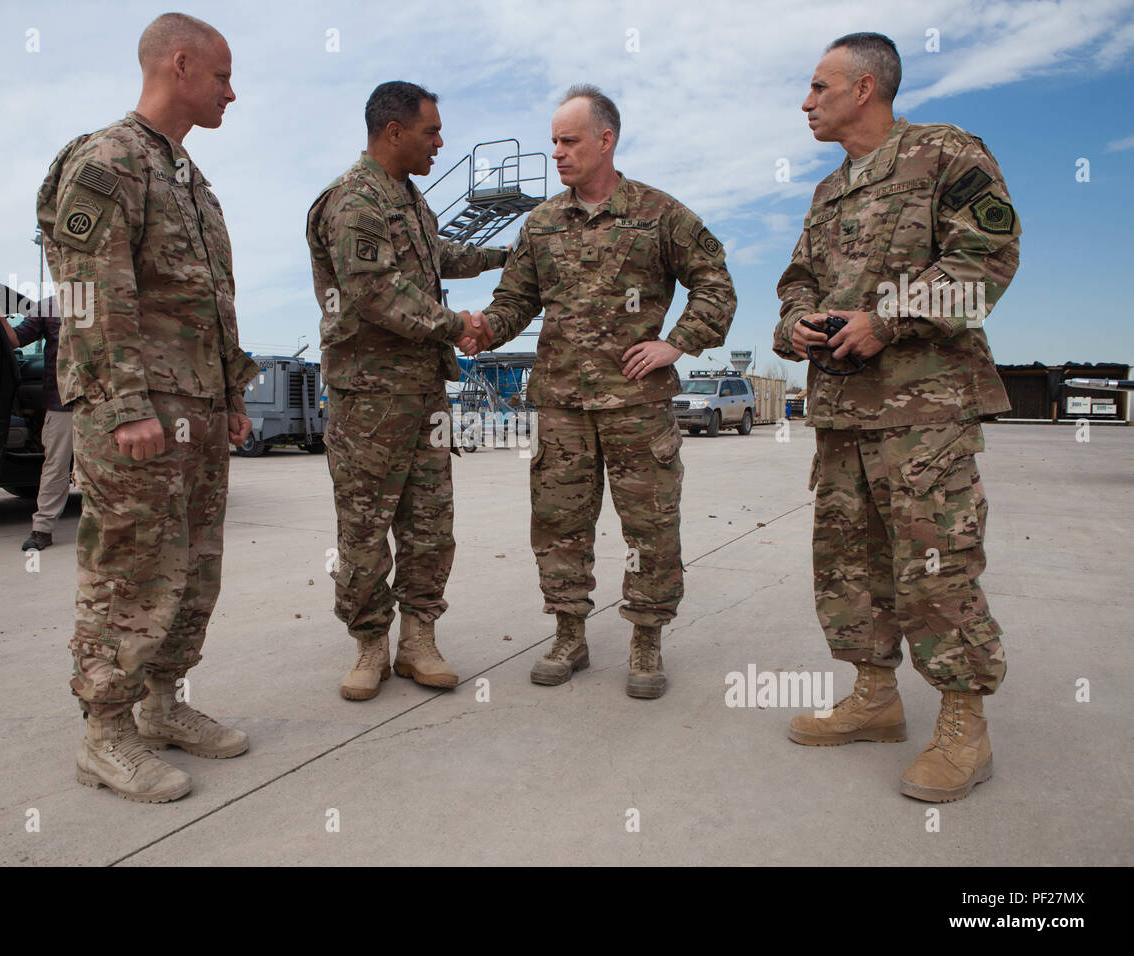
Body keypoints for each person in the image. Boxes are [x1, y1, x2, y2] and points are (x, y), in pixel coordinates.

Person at [773, 33, 1019, 802]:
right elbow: (793, 284)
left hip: (926, 414)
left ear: (866, 88)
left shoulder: (944, 152)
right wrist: (798, 326)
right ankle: (875, 699)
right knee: (851, 568)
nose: (806, 102)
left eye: (819, 86)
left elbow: (987, 261)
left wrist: (887, 319)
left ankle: (964, 726)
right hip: (844, 415)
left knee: (936, 569)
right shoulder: (826, 192)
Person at [35, 12, 260, 803]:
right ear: (180, 64)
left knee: (194, 566)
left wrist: (233, 395)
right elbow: (91, 295)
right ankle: (105, 732)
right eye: (223, 76)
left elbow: (212, 303)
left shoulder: (190, 181)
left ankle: (165, 705)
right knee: (130, 568)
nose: (233, 92)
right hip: (137, 409)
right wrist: (126, 403)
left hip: (196, 407)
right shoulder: (109, 162)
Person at [478, 85, 737, 699]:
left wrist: (677, 342)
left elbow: (716, 285)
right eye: (553, 143)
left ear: (605, 139)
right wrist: (484, 328)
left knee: (650, 526)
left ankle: (646, 638)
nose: (558, 154)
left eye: (569, 141)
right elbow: (515, 300)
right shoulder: (540, 224)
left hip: (637, 405)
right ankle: (569, 633)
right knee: (559, 524)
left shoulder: (660, 213)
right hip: (563, 405)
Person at [306, 81, 507, 701]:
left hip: (424, 394)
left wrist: (502, 255)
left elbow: (433, 257)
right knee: (365, 527)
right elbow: (377, 294)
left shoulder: (411, 201)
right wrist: (459, 324)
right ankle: (371, 645)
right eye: (431, 131)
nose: (441, 143)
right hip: (369, 399)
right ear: (394, 131)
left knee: (429, 523)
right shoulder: (353, 201)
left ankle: (419, 639)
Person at [0, 288, 71, 551]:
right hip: (63, 403)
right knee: (56, 467)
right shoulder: (51, 307)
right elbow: (15, 339)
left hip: (104, 403)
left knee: (110, 469)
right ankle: (42, 529)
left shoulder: (114, 303)